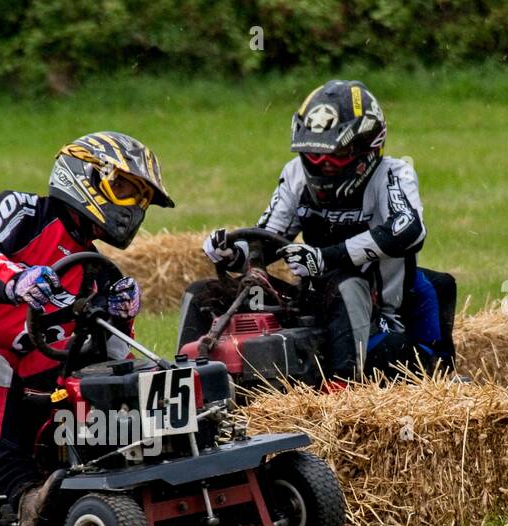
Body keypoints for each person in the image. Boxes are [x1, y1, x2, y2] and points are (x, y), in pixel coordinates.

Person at [0, 131, 173, 526]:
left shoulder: (90, 267)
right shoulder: (22, 211)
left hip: (23, 364)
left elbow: (100, 345)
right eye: (123, 189)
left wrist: (120, 314)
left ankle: (139, 461)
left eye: (140, 199)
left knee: (107, 364)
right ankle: (25, 495)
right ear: (85, 175)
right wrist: (17, 279)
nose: (133, 207)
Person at [184, 80, 453, 381]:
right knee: (201, 293)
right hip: (309, 307)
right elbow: (268, 238)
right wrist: (234, 253)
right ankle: (185, 381)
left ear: (366, 148)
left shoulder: (392, 174)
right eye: (314, 156)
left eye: (333, 157)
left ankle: (339, 396)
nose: (322, 166)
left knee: (344, 285)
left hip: (380, 322)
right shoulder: (295, 175)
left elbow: (409, 230)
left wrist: (326, 258)